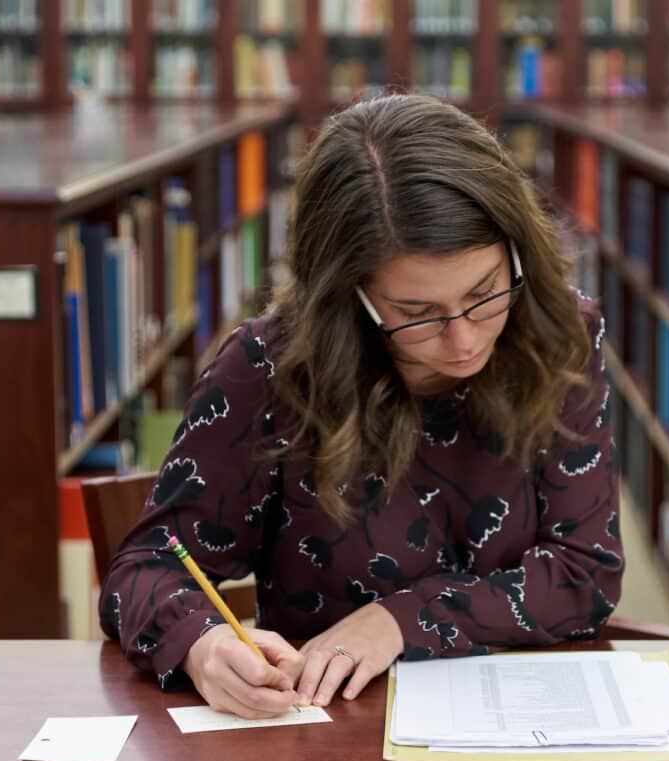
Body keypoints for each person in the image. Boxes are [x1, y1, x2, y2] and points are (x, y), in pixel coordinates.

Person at [101, 93, 623, 720]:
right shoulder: (269, 368)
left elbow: (586, 573)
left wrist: (400, 620)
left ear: (518, 252)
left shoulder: (559, 331)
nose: (463, 340)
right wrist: (202, 646)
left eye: (484, 293)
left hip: (529, 720)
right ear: (349, 298)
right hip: (329, 734)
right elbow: (144, 570)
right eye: (416, 314)